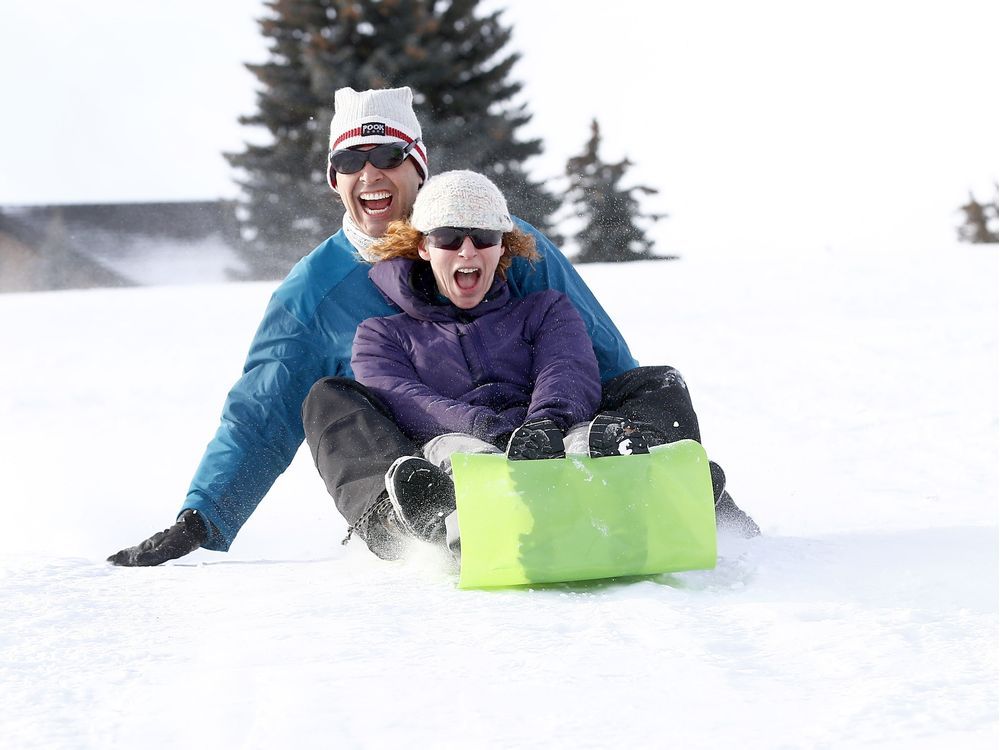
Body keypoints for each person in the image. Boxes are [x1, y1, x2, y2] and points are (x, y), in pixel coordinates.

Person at [108, 86, 757, 567]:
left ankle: (656, 487)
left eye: (386, 154)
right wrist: (203, 516)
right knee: (328, 403)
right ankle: (414, 516)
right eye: (351, 160)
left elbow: (594, 354)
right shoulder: (315, 293)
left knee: (652, 381)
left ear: (418, 168)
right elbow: (260, 412)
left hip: (545, 432)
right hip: (433, 459)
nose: (370, 173)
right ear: (334, 180)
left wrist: (635, 442)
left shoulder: (506, 240)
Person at [346, 169, 651, 556]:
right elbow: (404, 399)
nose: (467, 252)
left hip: (548, 436)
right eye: (448, 238)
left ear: (503, 247)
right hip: (458, 443)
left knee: (638, 395)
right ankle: (461, 522)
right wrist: (488, 430)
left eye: (484, 238)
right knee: (455, 452)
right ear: (423, 247)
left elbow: (566, 367)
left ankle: (632, 482)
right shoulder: (382, 334)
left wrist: (544, 426)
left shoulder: (544, 309)